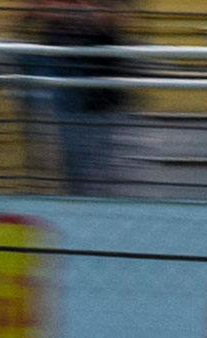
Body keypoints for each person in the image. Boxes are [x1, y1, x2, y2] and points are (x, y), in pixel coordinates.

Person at [24, 0, 129, 194]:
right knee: (73, 169)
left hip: (100, 95)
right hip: (65, 92)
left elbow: (116, 17)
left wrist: (71, 11)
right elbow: (29, 11)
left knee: (99, 172)